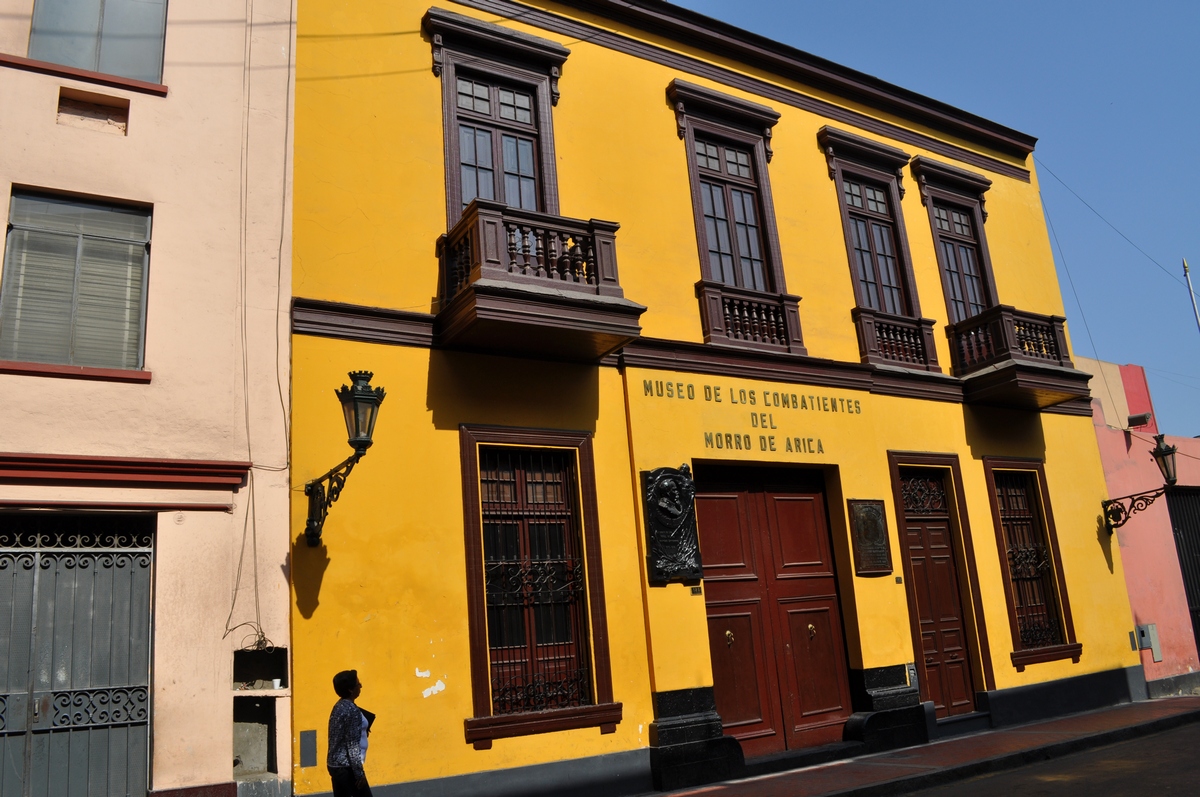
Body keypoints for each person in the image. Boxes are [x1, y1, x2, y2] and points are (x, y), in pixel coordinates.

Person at [327, 670, 375, 797]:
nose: (360, 686)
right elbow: (352, 745)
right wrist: (359, 774)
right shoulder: (351, 711)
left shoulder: (339, 706)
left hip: (336, 765)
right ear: (350, 689)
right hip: (347, 768)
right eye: (358, 684)